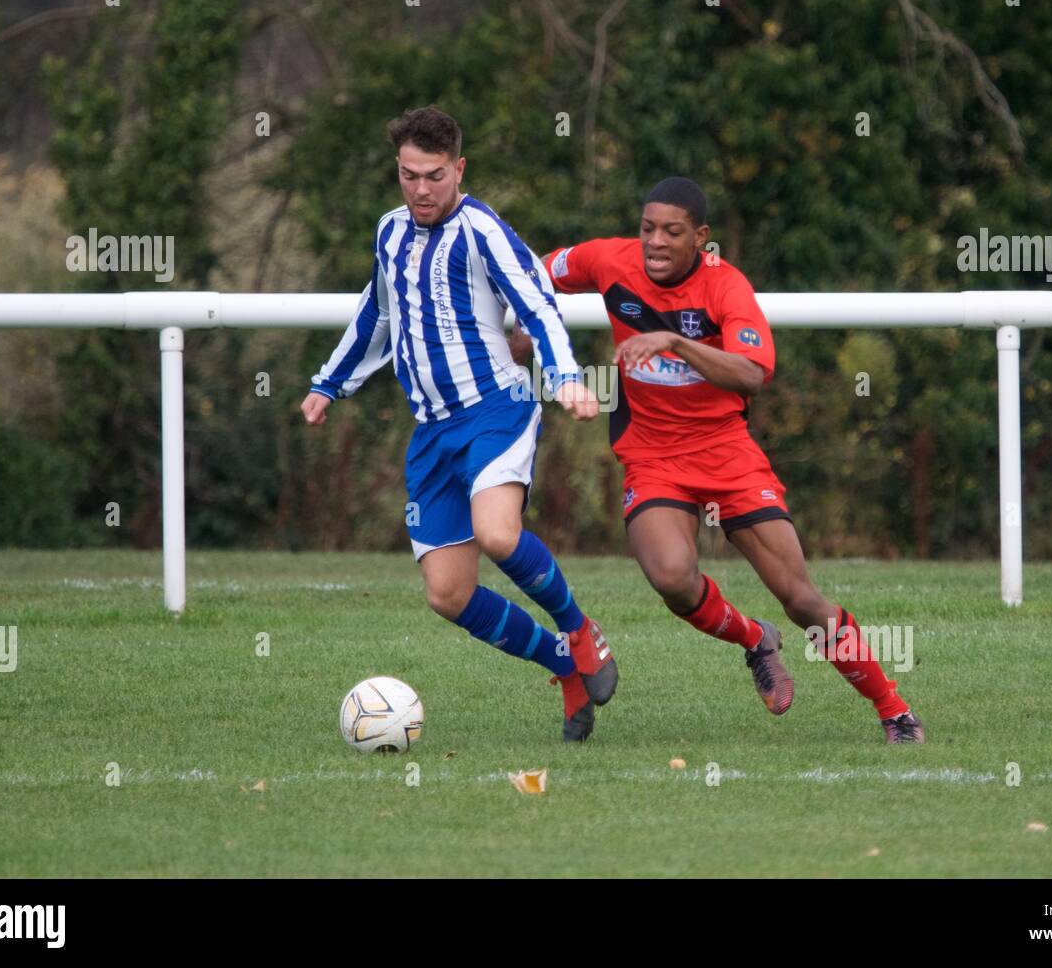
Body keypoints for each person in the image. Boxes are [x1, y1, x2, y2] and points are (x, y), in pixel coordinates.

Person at [524, 177, 923, 742]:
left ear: (700, 237)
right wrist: (526, 337)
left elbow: (753, 373)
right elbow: (530, 278)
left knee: (801, 598)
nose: (655, 243)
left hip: (727, 453)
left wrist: (674, 342)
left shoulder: (725, 287)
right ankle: (754, 640)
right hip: (654, 456)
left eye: (672, 232)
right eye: (647, 229)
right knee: (672, 578)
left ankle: (895, 711)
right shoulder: (608, 260)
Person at [301, 106, 617, 743]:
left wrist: (565, 377)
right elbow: (377, 316)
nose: (420, 188)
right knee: (447, 595)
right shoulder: (389, 233)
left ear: (459, 170)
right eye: (408, 174)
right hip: (433, 433)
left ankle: (580, 633)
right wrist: (328, 383)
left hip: (496, 409)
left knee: (498, 534)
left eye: (434, 176)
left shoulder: (484, 232)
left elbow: (537, 304)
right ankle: (562, 666)